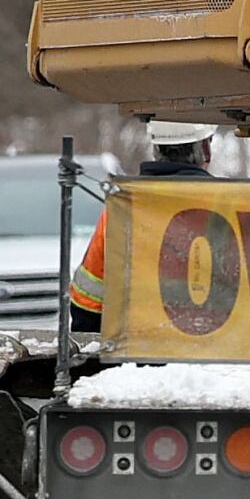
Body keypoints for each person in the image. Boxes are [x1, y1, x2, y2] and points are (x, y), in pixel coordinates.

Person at [62, 122, 211, 339]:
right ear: (205, 150)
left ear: (156, 150)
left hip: (137, 353)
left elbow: (89, 301)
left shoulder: (123, 207)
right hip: (211, 350)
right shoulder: (226, 206)